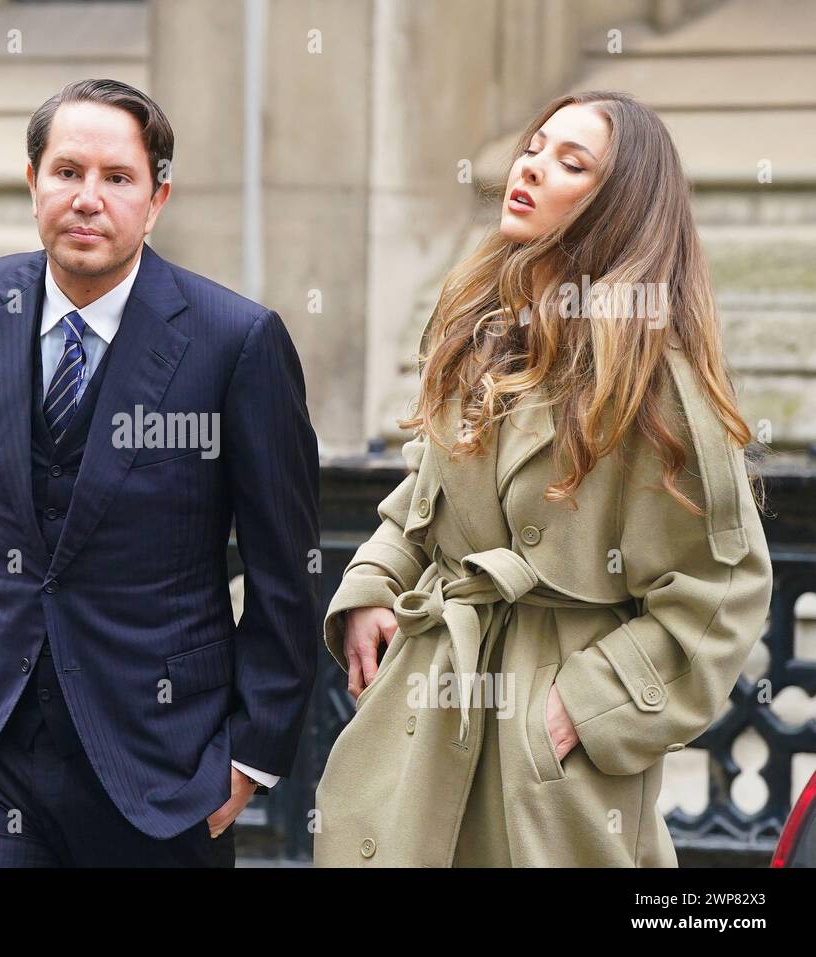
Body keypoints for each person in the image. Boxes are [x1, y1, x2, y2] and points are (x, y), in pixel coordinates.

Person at [314, 90, 773, 867]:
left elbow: (722, 592)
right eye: (534, 146)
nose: (530, 167)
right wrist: (370, 585)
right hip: (424, 715)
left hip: (548, 766)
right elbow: (421, 502)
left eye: (571, 162)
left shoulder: (655, 385)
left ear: (620, 206)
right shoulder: (479, 330)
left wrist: (584, 704)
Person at [0, 78, 320, 867]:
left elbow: (283, 569)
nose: (88, 199)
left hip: (158, 765)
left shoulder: (237, 341)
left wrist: (251, 758)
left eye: (117, 178)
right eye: (67, 172)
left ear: (156, 200)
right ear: (33, 184)